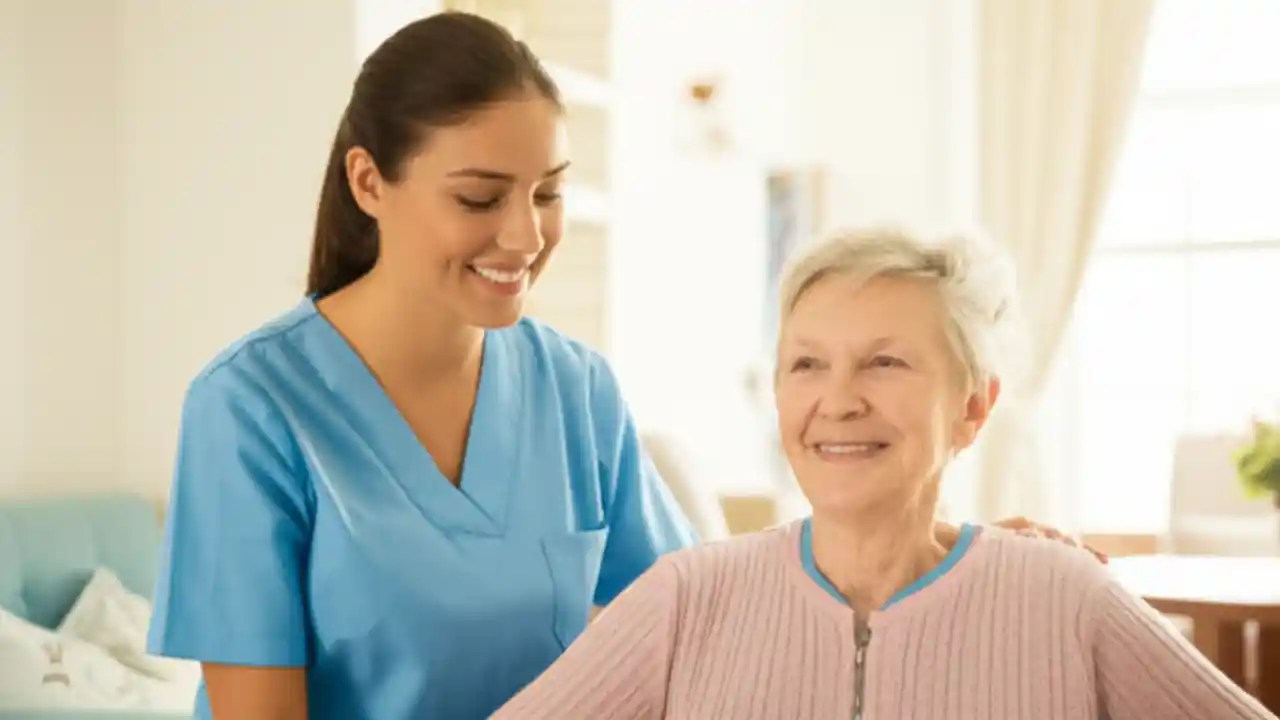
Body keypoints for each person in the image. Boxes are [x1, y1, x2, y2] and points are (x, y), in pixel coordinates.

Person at [146, 11, 1099, 720]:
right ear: (369, 182)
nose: (526, 237)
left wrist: (951, 554)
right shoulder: (252, 409)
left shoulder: (574, 389)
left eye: (548, 194)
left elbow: (723, 608)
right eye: (480, 198)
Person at [494, 227, 1277, 720]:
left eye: (886, 363)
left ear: (973, 406)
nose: (838, 401)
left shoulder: (1068, 598)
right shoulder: (687, 598)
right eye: (807, 364)